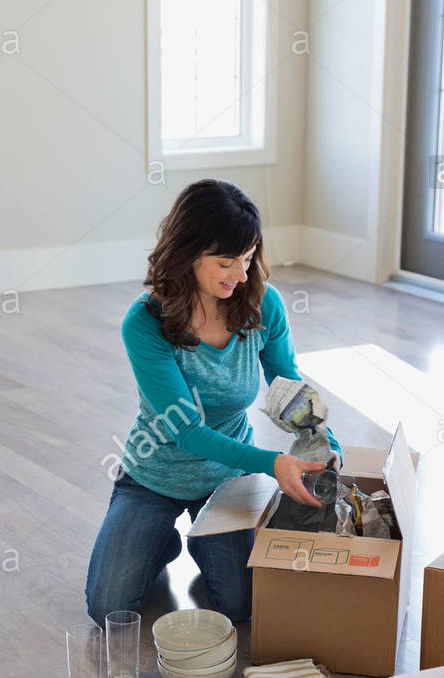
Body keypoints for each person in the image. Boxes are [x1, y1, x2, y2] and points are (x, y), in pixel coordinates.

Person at [85, 179, 339, 625]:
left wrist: (323, 440)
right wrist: (274, 463)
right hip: (154, 476)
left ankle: (207, 535)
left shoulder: (262, 303)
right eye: (226, 262)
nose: (241, 275)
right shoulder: (145, 322)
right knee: (107, 607)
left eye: (247, 258)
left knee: (243, 607)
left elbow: (288, 385)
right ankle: (160, 539)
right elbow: (185, 431)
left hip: (227, 480)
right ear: (188, 254)